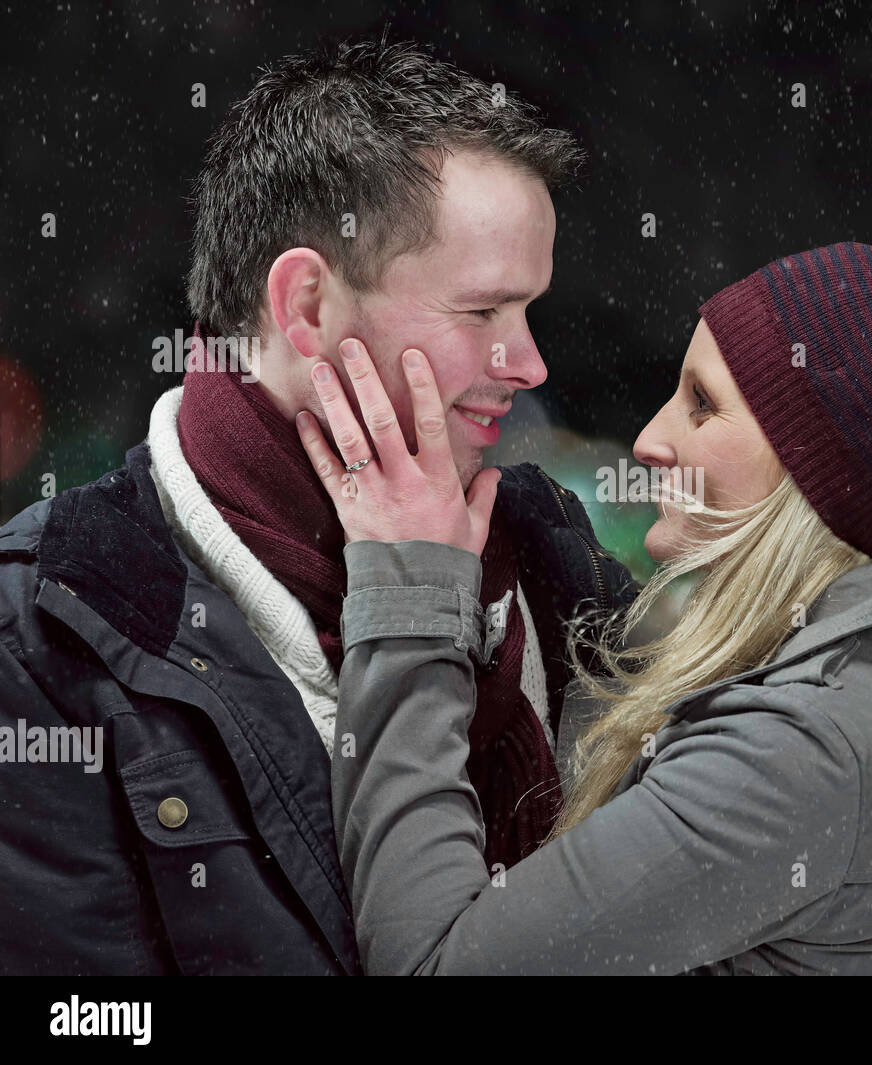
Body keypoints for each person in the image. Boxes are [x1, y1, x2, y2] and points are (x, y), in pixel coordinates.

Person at [0, 37, 635, 974]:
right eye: (483, 313)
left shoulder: (553, 554)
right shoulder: (46, 628)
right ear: (305, 305)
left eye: (531, 311)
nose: (531, 364)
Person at [302, 238, 872, 975]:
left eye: (702, 405)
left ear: (816, 473)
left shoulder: (794, 755)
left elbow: (431, 966)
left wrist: (409, 588)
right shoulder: (842, 675)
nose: (649, 438)